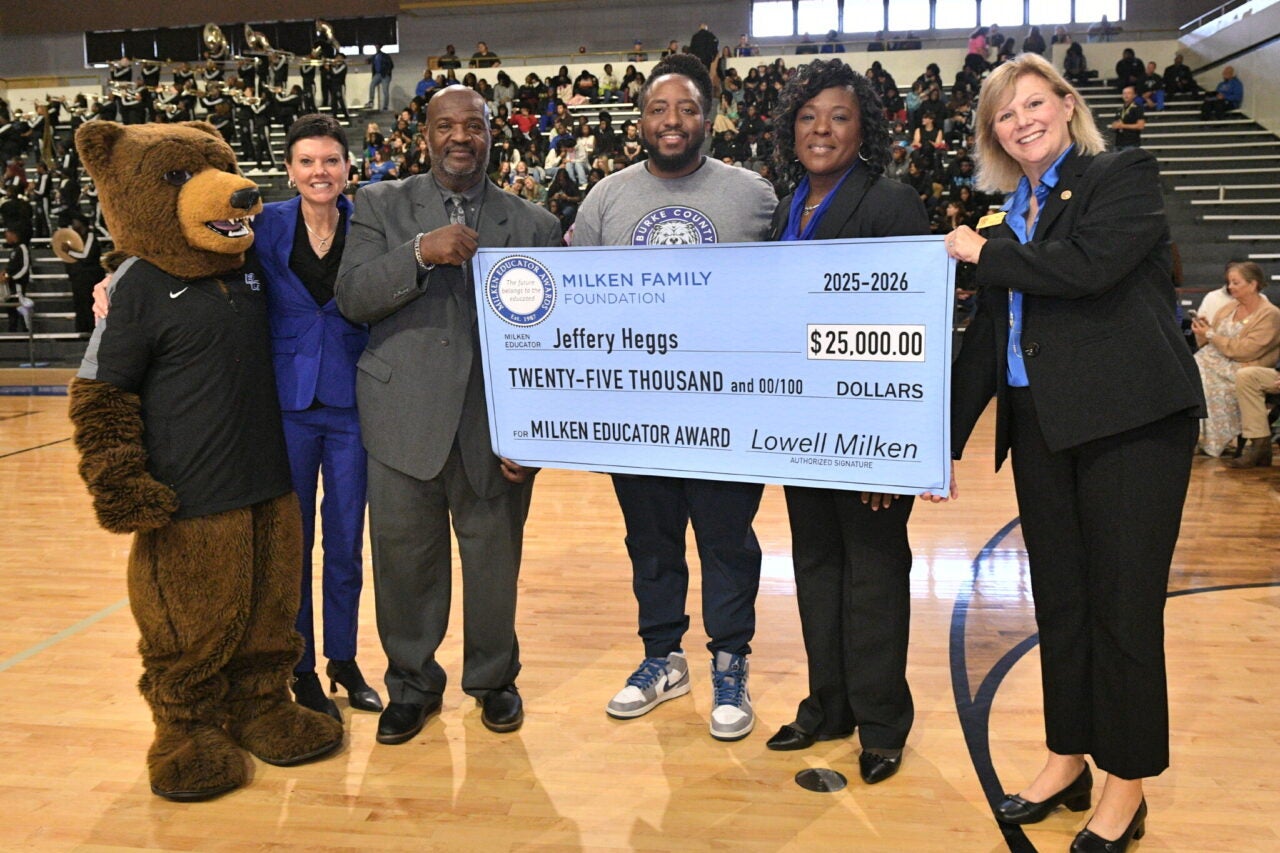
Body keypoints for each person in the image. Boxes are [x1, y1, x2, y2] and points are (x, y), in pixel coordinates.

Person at [940, 53, 1204, 852]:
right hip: (1045, 428)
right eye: (1004, 114)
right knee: (1061, 603)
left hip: (1132, 424)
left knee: (1122, 610)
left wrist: (986, 256)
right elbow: (990, 337)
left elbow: (1088, 269)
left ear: (1064, 102)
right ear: (993, 134)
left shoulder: (1119, 174)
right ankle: (1068, 758)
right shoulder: (1004, 214)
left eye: (1033, 102)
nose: (1022, 120)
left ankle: (1127, 787)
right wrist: (931, 445)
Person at [334, 85, 560, 745]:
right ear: (423, 135)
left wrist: (535, 430)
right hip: (400, 419)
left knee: (494, 562)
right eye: (446, 126)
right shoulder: (379, 205)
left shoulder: (536, 224)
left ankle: (494, 679)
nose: (461, 137)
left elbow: (556, 341)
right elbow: (352, 297)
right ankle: (411, 684)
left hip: (495, 428)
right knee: (404, 564)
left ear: (493, 134)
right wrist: (419, 254)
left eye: (475, 126)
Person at [570, 54, 776, 742]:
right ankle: (663, 657)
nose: (673, 122)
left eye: (687, 108)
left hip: (726, 411)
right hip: (638, 412)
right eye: (660, 109)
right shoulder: (605, 198)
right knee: (651, 542)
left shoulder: (754, 196)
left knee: (725, 540)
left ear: (710, 115)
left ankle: (729, 660)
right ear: (640, 120)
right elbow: (581, 308)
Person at [760, 58, 929, 786]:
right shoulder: (785, 208)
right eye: (808, 116)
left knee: (875, 575)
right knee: (817, 567)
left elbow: (907, 330)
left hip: (869, 432)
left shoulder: (891, 202)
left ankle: (883, 719)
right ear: (789, 128)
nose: (821, 128)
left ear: (865, 128)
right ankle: (828, 704)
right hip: (804, 427)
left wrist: (891, 451)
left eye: (838, 116)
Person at [249, 114, 382, 724]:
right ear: (290, 170)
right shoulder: (263, 223)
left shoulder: (371, 223)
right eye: (307, 162)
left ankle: (346, 659)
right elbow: (190, 246)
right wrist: (114, 281)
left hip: (354, 404)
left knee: (348, 542)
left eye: (330, 161)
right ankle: (299, 667)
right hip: (288, 404)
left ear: (348, 168)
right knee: (295, 541)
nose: (319, 172)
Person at [1190, 261, 1280, 458]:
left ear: (1253, 284)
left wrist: (1212, 335)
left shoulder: (1270, 314)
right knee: (1190, 371)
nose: (1230, 287)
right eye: (1229, 282)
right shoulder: (1229, 308)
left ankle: (1215, 440)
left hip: (1243, 366)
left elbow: (1247, 350)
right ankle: (1194, 437)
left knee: (1203, 378)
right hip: (1215, 361)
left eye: (1235, 283)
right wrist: (1203, 332)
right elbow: (1207, 345)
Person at [61, 214, 101, 335]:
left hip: (90, 277)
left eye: (75, 223)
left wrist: (70, 251)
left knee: (89, 304)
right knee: (80, 304)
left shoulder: (90, 236)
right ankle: (82, 329)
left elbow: (86, 256)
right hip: (78, 278)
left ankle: (92, 329)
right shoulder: (77, 238)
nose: (73, 226)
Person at [1110, 86, 1145, 150]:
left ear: (1134, 95)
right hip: (1118, 143)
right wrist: (1114, 126)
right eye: (1124, 93)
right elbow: (1115, 123)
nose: (1126, 95)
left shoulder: (1137, 108)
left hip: (1131, 143)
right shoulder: (1120, 109)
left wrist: (1123, 126)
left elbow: (1141, 126)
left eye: (1129, 93)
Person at [368, 45, 394, 112]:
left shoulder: (385, 56)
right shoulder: (375, 56)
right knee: (372, 85)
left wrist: (386, 72)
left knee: (385, 91)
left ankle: (385, 107)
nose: (376, 48)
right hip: (378, 74)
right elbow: (369, 60)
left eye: (377, 47)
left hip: (385, 74)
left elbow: (391, 65)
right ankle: (371, 101)